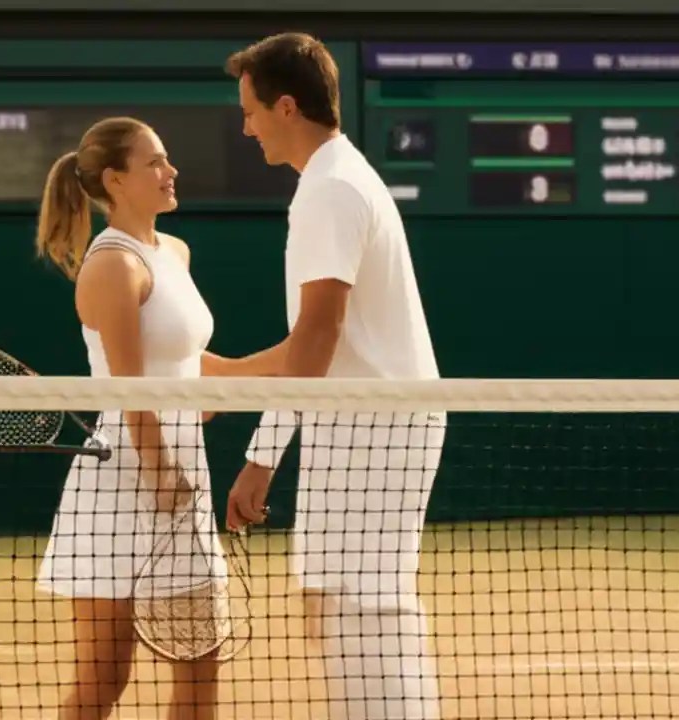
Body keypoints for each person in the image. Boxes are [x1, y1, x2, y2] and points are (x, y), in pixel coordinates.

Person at [221, 32, 447, 720]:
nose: (246, 125)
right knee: (334, 605)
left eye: (252, 110)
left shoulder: (330, 190)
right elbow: (319, 340)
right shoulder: (337, 179)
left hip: (373, 434)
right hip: (364, 427)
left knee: (365, 614)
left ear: (287, 107)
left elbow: (319, 334)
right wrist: (229, 377)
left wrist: (260, 459)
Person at [33, 116, 231, 720]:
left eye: (166, 160)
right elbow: (131, 385)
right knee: (103, 681)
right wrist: (160, 468)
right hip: (126, 483)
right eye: (154, 163)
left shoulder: (174, 252)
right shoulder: (111, 266)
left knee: (200, 672)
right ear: (116, 180)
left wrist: (287, 363)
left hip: (180, 478)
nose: (170, 171)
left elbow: (187, 366)